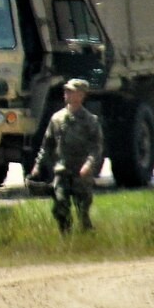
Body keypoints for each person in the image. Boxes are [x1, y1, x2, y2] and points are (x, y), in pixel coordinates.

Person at [32, 78, 103, 234]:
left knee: (82, 210)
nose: (66, 94)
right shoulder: (56, 119)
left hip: (81, 173)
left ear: (81, 95)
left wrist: (88, 164)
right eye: (66, 91)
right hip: (62, 171)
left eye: (71, 91)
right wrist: (37, 165)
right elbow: (47, 144)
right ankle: (66, 236)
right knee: (60, 206)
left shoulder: (90, 121)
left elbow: (96, 147)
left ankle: (87, 236)